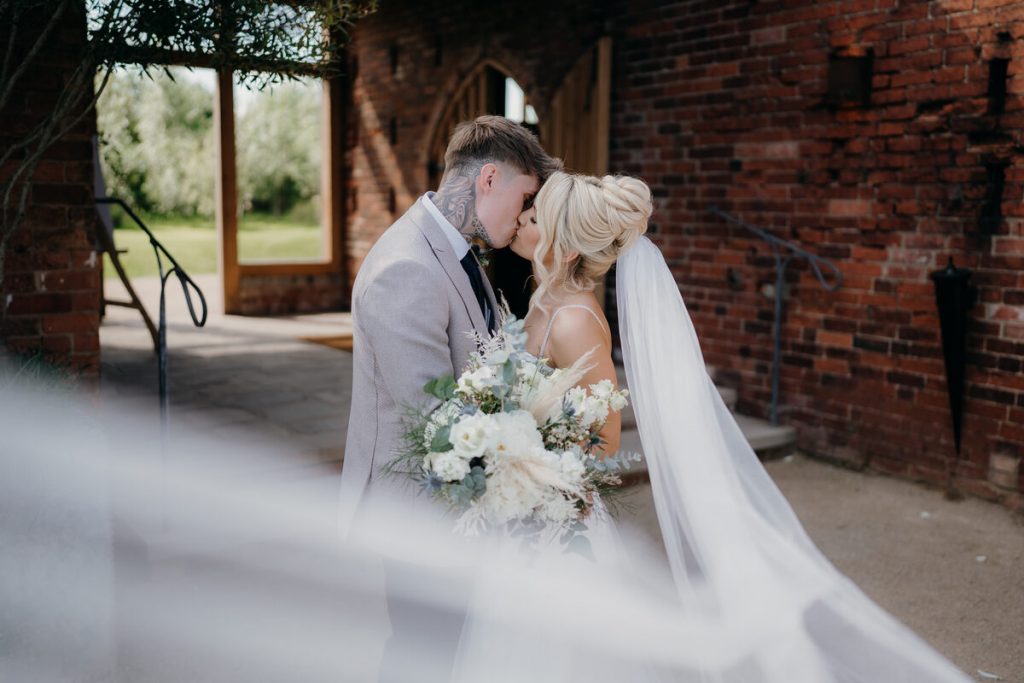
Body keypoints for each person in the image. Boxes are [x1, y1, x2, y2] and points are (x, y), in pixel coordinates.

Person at [459, 170, 974, 682]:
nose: (521, 221)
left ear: (566, 251)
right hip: (526, 511)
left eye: (533, 218)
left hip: (555, 517)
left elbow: (607, 437)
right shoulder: (542, 300)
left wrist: (520, 455)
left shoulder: (574, 321)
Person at [337, 114, 561, 682]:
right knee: (425, 652)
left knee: (447, 649)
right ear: (489, 179)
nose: (526, 215)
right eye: (525, 196)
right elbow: (433, 420)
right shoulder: (406, 268)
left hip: (457, 503)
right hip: (421, 509)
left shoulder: (459, 250)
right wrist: (533, 468)